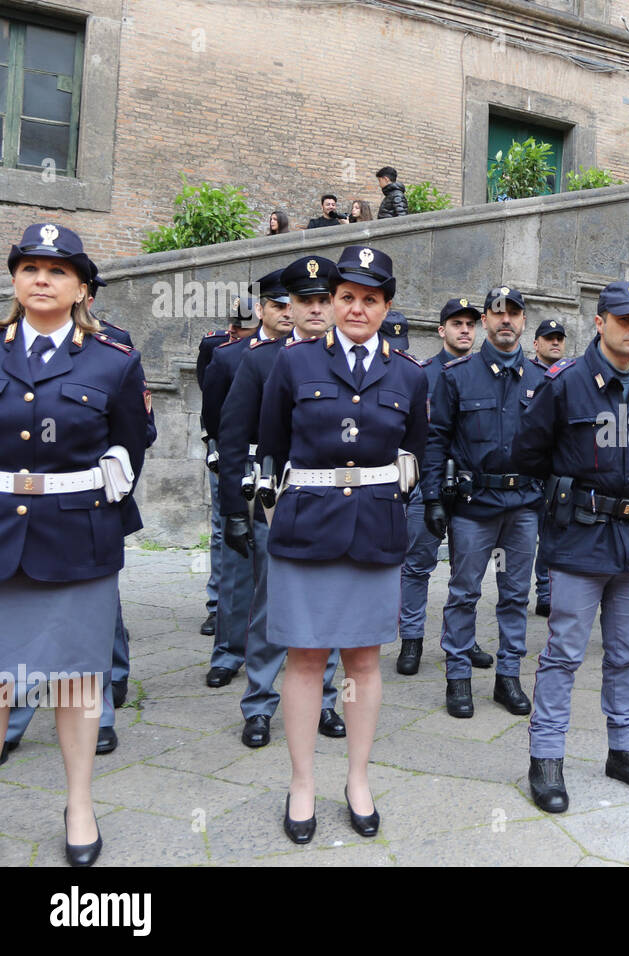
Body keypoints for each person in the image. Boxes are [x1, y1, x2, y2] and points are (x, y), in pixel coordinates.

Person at [258, 245, 427, 843]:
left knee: (362, 659)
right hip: (306, 527)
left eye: (371, 300)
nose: (358, 309)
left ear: (387, 307)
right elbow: (272, 442)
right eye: (347, 297)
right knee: (305, 655)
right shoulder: (294, 363)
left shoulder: (409, 373)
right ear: (330, 303)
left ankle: (358, 777)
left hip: (375, 530)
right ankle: (302, 782)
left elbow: (418, 452)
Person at [1, 222, 149, 865]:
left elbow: (131, 442)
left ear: (82, 288)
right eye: (29, 267)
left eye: (57, 271)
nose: (41, 279)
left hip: (77, 537)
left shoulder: (113, 360)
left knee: (76, 683)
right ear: (14, 280)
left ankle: (80, 802)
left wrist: (106, 476)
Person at [512, 281, 629, 813]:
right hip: (580, 538)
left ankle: (626, 750)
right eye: (626, 320)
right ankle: (546, 759)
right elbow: (528, 453)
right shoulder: (565, 383)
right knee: (563, 655)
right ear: (600, 321)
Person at [220, 257, 344, 747]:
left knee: (330, 606)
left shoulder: (351, 361)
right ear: (288, 307)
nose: (315, 310)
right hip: (280, 500)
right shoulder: (261, 360)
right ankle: (259, 704)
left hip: (336, 502)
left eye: (322, 300)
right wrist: (235, 508)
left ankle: (326, 700)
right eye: (305, 301)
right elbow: (234, 437)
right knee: (271, 604)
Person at [423, 285, 544, 718]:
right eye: (497, 313)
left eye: (514, 313)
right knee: (463, 592)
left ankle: (507, 678)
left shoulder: (541, 381)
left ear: (523, 321)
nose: (506, 319)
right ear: (485, 322)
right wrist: (433, 497)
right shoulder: (457, 376)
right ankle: (458, 677)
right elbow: (435, 441)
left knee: (514, 593)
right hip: (474, 510)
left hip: (521, 509)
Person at [395, 297, 492, 675]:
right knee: (417, 566)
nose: (465, 330)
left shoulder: (485, 373)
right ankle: (412, 641)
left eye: (471, 324)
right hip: (427, 483)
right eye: (457, 324)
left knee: (467, 573)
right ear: (441, 330)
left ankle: (462, 641)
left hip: (470, 487)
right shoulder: (421, 374)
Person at [201, 278, 284, 689]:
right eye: (280, 305)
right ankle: (229, 652)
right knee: (237, 568)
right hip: (246, 467)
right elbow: (217, 421)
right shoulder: (232, 357)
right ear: (263, 309)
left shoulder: (315, 357)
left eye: (296, 304)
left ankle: (277, 647)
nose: (289, 312)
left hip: (290, 473)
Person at [196, 311, 259, 639]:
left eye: (241, 326)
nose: (233, 330)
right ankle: (218, 607)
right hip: (227, 450)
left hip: (265, 453)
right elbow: (210, 400)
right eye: (232, 324)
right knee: (224, 532)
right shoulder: (216, 348)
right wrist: (214, 446)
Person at [529, 318, 566, 617]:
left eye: (559, 339)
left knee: (552, 535)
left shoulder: (567, 377)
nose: (555, 343)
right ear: (536, 343)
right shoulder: (526, 374)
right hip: (531, 472)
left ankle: (547, 591)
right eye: (549, 338)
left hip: (557, 475)